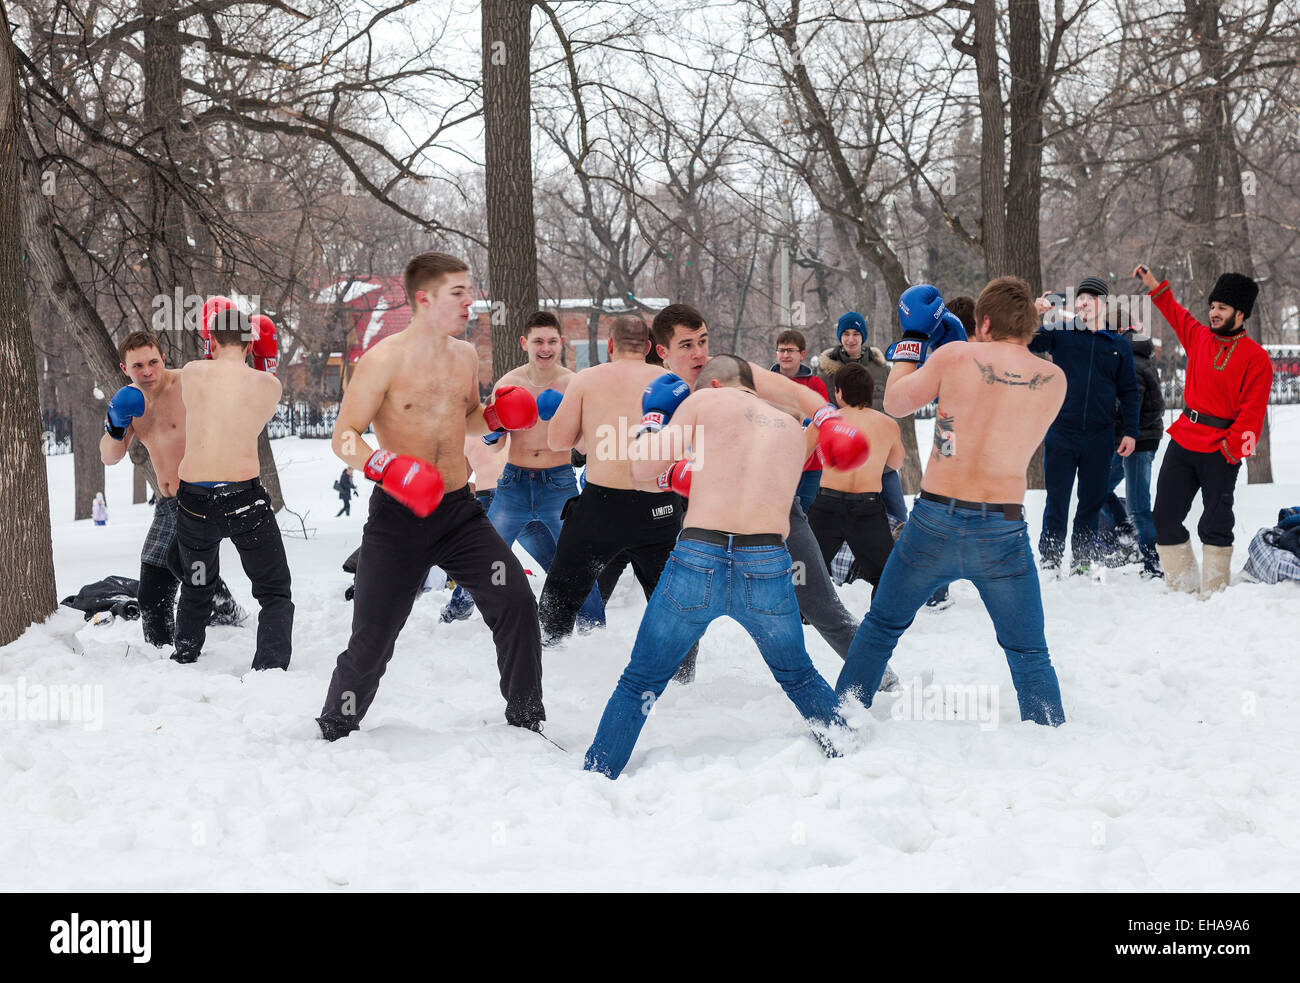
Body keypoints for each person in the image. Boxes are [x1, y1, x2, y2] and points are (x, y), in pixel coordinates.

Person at [583, 355, 857, 779]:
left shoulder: (706, 403)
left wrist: (655, 418)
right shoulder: (791, 428)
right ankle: (851, 752)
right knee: (799, 675)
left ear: (714, 385)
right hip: (766, 560)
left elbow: (641, 467)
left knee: (640, 680)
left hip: (700, 555)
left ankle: (598, 774)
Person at [317, 251, 545, 740]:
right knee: (373, 636)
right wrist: (386, 465)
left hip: (459, 512)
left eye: (470, 291)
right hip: (398, 518)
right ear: (425, 298)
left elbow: (464, 417)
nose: (470, 302)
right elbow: (345, 436)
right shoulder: (383, 359)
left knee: (516, 600)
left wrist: (497, 417)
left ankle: (526, 718)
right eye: (457, 293)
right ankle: (336, 726)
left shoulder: (464, 355)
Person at [836, 278, 1067, 727]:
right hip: (1002, 526)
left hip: (935, 520)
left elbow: (896, 402)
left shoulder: (955, 356)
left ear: (982, 320)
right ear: (1030, 327)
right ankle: (1048, 734)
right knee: (1029, 650)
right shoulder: (1053, 380)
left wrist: (915, 339)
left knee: (881, 628)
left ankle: (841, 720)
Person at [649, 305, 899, 691]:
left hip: (773, 512)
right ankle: (678, 695)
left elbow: (796, 392)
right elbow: (642, 465)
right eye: (687, 345)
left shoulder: (732, 372)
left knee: (822, 606)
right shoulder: (659, 395)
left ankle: (883, 680)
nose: (700, 353)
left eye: (703, 341)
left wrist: (828, 419)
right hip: (707, 520)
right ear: (662, 351)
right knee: (683, 614)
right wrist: (667, 471)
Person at [536, 315, 695, 675]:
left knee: (560, 597)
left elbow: (558, 442)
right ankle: (683, 684)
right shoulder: (672, 383)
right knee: (672, 601)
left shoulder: (587, 379)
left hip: (601, 507)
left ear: (610, 346)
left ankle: (546, 672)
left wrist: (587, 431)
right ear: (652, 348)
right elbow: (687, 449)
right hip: (659, 506)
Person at [438, 311, 604, 628]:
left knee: (577, 558)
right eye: (538, 341)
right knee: (486, 552)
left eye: (552, 341)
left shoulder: (574, 384)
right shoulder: (508, 383)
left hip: (559, 483)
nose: (545, 348)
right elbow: (495, 446)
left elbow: (585, 449)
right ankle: (455, 614)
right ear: (524, 343)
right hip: (514, 483)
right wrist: (498, 424)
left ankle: (592, 626)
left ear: (561, 343)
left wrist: (569, 423)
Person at [99, 329, 245, 648]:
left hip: (205, 494)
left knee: (173, 565)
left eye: (153, 362)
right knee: (156, 583)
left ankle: (220, 610)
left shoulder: (189, 382)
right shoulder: (130, 402)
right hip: (168, 502)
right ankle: (164, 648)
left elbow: (238, 395)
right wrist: (114, 423)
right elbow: (110, 457)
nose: (148, 371)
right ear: (125, 369)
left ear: (163, 359)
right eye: (138, 366)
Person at [1134, 264, 1274, 593]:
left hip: (1221, 448)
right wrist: (1154, 285)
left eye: (1221, 308)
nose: (1213, 313)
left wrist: (1230, 450)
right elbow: (1175, 311)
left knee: (1215, 523)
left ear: (1240, 314)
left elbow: (1252, 413)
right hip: (1184, 440)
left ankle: (1214, 591)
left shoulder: (1257, 359)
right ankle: (1182, 587)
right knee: (1164, 517)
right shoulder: (1198, 337)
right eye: (1212, 307)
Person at [171, 307, 293, 670]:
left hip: (195, 505)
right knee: (274, 592)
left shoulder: (192, 373)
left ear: (210, 341)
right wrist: (260, 357)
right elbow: (254, 401)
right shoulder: (268, 385)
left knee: (197, 583)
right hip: (244, 505)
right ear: (251, 341)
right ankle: (270, 667)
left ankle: (185, 654)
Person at [1030, 276, 1140, 575]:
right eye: (1080, 298)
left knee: (1090, 504)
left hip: (1099, 438)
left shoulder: (1118, 345)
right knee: (1057, 501)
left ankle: (1081, 562)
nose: (1084, 303)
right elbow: (1025, 341)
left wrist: (1130, 431)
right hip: (1062, 433)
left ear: (1104, 305)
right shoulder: (1059, 333)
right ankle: (1050, 562)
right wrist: (1034, 313)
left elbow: (1130, 391)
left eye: (1091, 298)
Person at [807, 363, 904, 600]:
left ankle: (803, 616)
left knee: (803, 570)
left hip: (828, 504)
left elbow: (799, 455)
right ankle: (879, 627)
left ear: (839, 391)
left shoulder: (826, 421)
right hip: (867, 507)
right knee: (886, 577)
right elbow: (896, 463)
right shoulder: (888, 424)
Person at [819, 310, 904, 521]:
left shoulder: (880, 369)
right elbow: (823, 415)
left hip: (879, 460)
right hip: (845, 462)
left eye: (856, 334)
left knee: (899, 515)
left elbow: (890, 408)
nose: (850, 339)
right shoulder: (827, 373)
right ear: (840, 337)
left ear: (862, 337)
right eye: (845, 333)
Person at [1098, 327, 1165, 576]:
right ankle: (1126, 531)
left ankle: (1152, 562)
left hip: (1138, 442)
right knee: (1100, 486)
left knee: (1138, 506)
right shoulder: (1140, 360)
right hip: (1130, 440)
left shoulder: (1133, 366)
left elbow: (1130, 407)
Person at [772, 328, 830, 512]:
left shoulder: (815, 384)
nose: (785, 355)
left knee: (806, 514)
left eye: (790, 350)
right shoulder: (767, 382)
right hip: (774, 460)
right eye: (781, 350)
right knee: (777, 512)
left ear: (802, 354)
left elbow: (820, 419)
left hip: (810, 465)